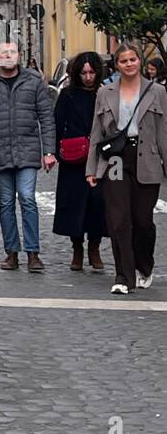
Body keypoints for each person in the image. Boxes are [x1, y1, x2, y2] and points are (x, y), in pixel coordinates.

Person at [86, 43, 167, 294]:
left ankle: (145, 265)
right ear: (116, 65)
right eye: (124, 61)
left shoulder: (157, 92)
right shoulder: (105, 92)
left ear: (139, 62)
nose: (129, 64)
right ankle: (123, 276)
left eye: (133, 59)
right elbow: (97, 132)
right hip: (117, 160)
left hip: (147, 159)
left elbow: (164, 132)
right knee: (118, 220)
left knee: (142, 221)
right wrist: (92, 169)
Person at [0, 40, 57, 273]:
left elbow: (46, 117)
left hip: (28, 150)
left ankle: (33, 253)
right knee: (6, 203)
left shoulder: (33, 81)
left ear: (19, 55)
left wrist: (49, 151)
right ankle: (11, 252)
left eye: (12, 52)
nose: (8, 56)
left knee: (27, 198)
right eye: (4, 53)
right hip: (0, 151)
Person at [52, 53, 107, 273]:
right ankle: (77, 248)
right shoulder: (67, 94)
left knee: (98, 204)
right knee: (74, 204)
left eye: (91, 72)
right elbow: (57, 123)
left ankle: (95, 248)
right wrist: (53, 152)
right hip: (73, 158)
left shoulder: (105, 93)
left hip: (100, 156)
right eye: (83, 73)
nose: (88, 77)